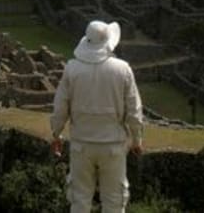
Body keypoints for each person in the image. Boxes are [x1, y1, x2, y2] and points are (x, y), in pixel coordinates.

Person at [50, 20, 144, 213]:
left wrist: (56, 134)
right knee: (114, 202)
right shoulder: (122, 69)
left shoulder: (72, 68)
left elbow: (60, 107)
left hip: (81, 145)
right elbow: (134, 110)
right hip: (113, 146)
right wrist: (137, 140)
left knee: (79, 200)